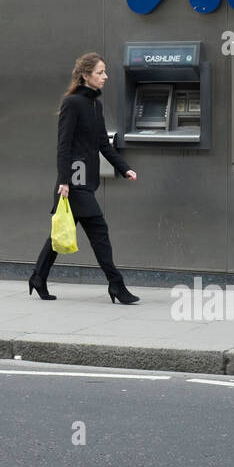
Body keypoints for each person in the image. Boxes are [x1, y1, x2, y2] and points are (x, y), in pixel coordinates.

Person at [29, 52, 141, 304]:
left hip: (84, 181)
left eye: (104, 72)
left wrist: (124, 168)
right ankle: (117, 285)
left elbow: (103, 143)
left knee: (60, 234)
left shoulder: (94, 105)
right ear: (85, 75)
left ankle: (38, 276)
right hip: (74, 182)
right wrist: (64, 181)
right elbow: (64, 145)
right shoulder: (73, 103)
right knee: (99, 231)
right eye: (100, 72)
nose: (105, 76)